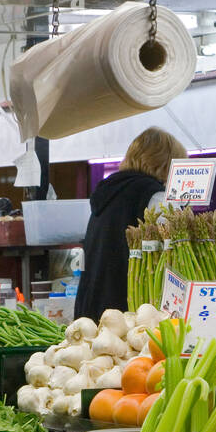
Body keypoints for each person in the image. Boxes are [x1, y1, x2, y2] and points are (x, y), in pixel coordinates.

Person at [74, 127, 188, 318]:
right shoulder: (154, 195)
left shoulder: (108, 191)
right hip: (126, 313)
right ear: (166, 164)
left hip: (92, 306)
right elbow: (178, 244)